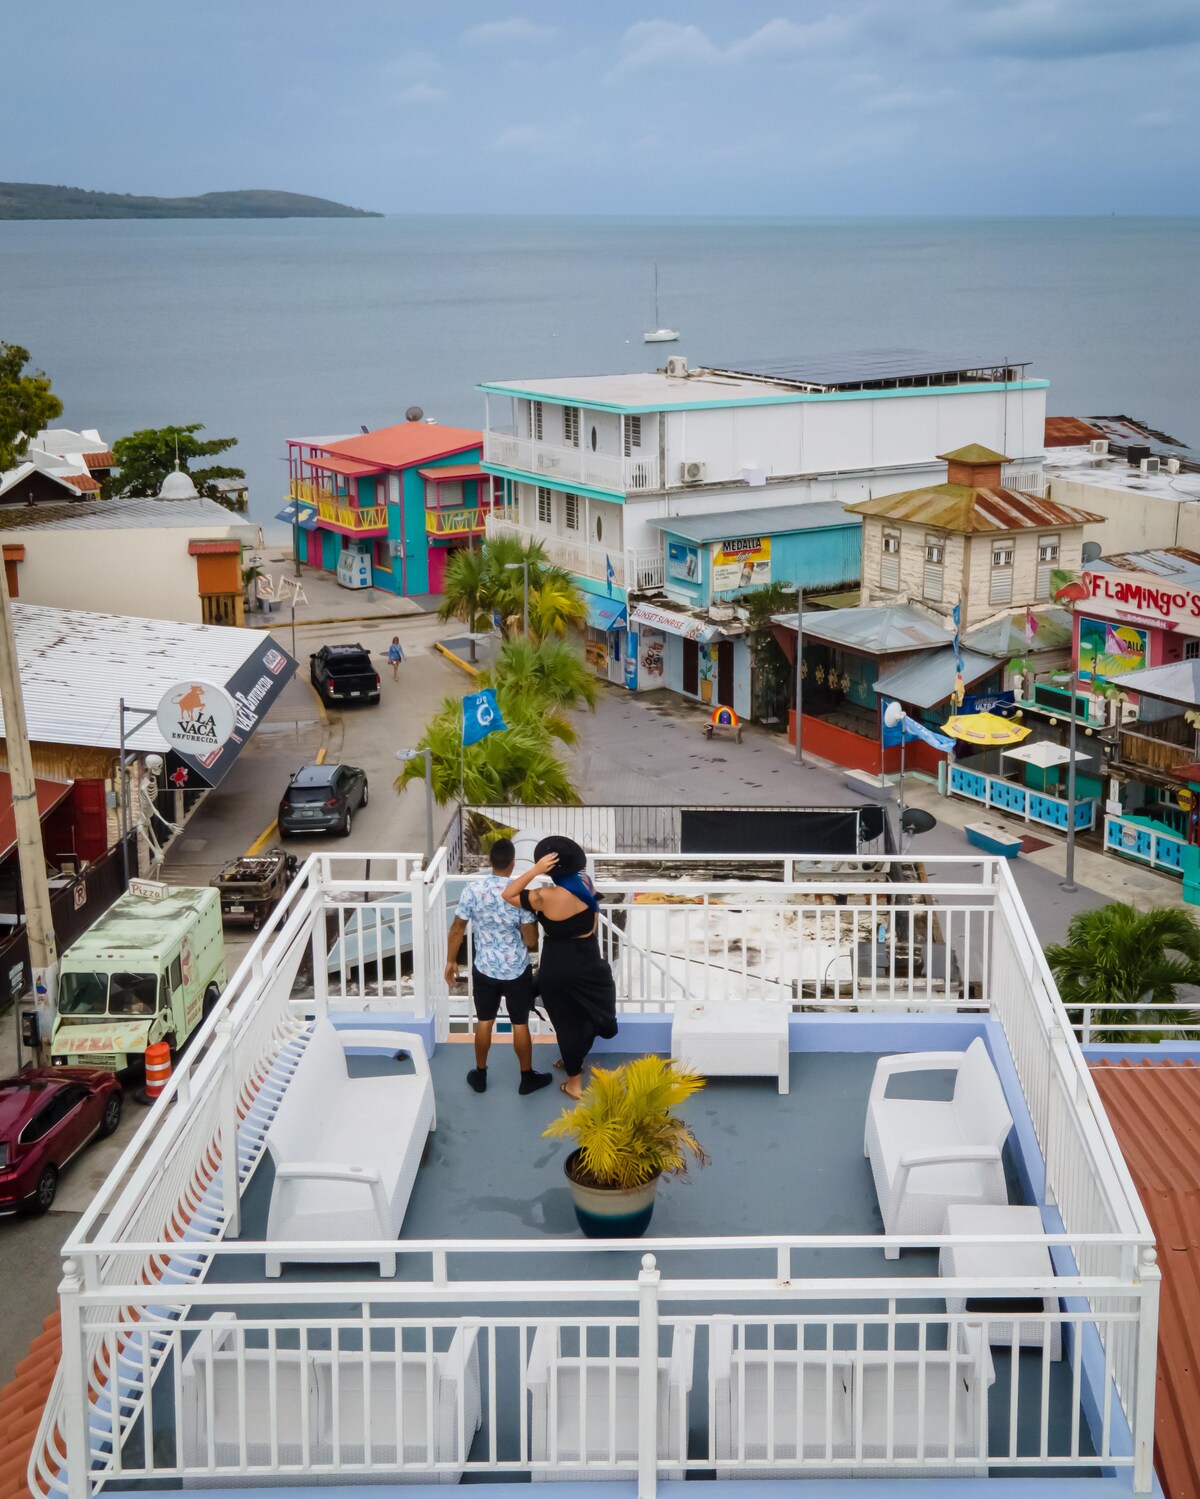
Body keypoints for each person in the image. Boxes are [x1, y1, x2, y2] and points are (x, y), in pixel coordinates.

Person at [503, 835, 617, 1099]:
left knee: (565, 1022)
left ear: (550, 868)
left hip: (559, 963)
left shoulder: (544, 896)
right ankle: (573, 1058)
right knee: (584, 1013)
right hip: (587, 958)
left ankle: (574, 1082)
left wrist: (535, 870)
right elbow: (593, 923)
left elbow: (508, 894)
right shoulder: (585, 885)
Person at [446, 838, 552, 1095]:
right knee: (519, 1024)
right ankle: (526, 1078)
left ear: (490, 861)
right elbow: (531, 941)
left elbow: (457, 929)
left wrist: (451, 960)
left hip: (484, 968)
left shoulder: (472, 890)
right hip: (516, 969)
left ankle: (480, 1074)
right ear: (513, 863)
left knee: (484, 1021)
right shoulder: (519, 896)